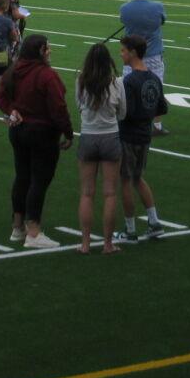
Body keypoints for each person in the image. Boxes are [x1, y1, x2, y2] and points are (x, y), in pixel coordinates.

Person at [0, 34, 72, 249]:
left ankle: (17, 227)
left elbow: (0, 98)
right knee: (39, 180)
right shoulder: (47, 75)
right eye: (47, 48)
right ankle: (33, 232)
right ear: (39, 51)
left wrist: (12, 110)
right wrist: (68, 132)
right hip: (41, 133)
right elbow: (58, 107)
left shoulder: (14, 70)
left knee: (22, 177)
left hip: (18, 131)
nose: (49, 51)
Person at [74, 43, 125, 254]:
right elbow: (123, 112)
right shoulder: (116, 83)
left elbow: (79, 106)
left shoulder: (81, 81)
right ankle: (107, 244)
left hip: (88, 135)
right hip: (110, 136)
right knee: (110, 193)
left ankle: (85, 244)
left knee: (87, 193)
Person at [117, 34, 167, 242]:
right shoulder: (153, 78)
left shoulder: (129, 81)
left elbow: (126, 111)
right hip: (145, 135)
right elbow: (161, 108)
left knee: (126, 180)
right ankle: (154, 222)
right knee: (138, 177)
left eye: (123, 50)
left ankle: (130, 230)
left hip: (128, 135)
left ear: (132, 53)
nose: (121, 54)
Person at [118, 0, 168, 134]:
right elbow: (162, 22)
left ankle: (127, 121)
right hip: (153, 54)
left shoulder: (125, 8)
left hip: (132, 55)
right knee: (156, 88)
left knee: (127, 88)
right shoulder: (158, 6)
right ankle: (157, 125)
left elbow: (123, 22)